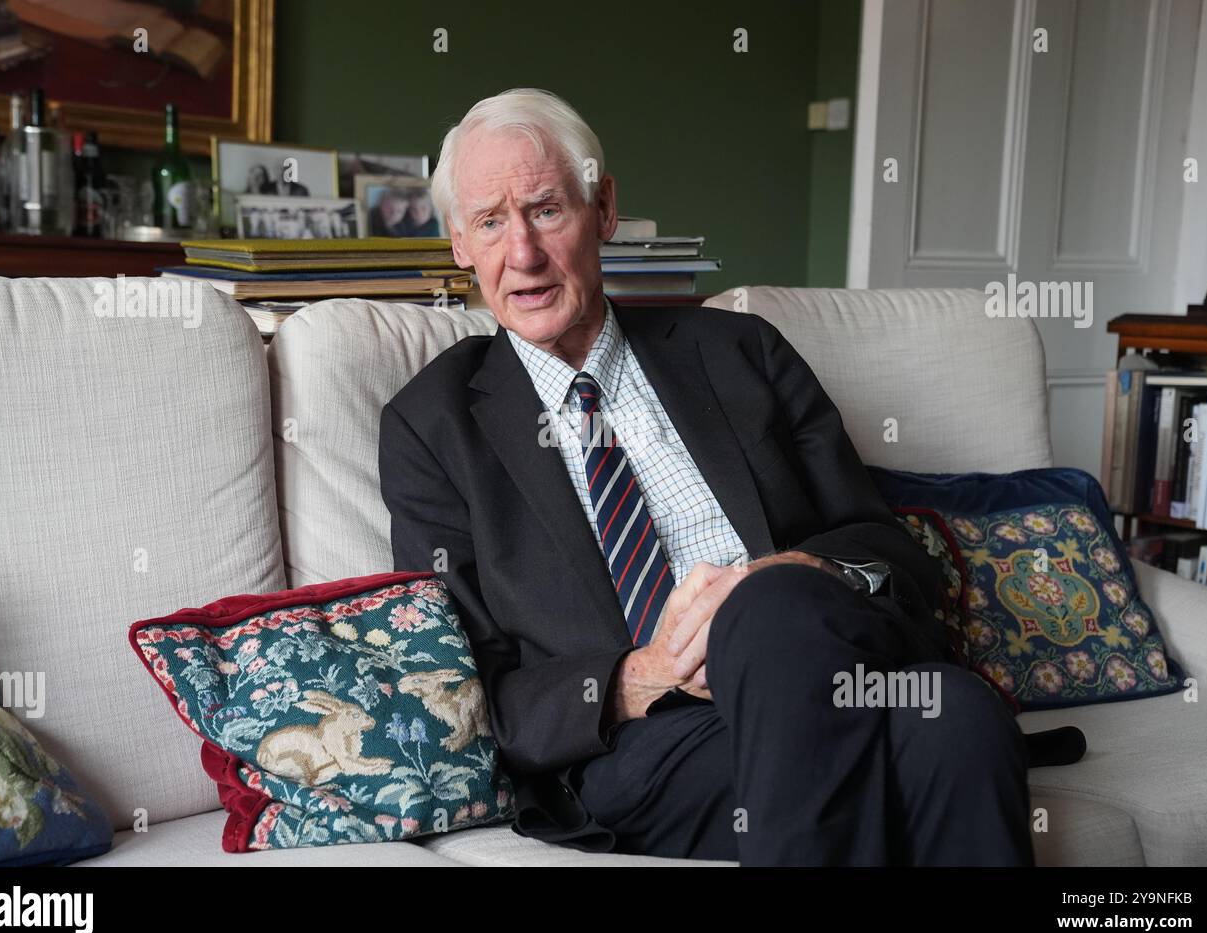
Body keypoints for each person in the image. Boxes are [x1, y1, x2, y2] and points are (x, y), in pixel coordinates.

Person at [379, 88, 1034, 865]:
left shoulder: (740, 353)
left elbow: (890, 554)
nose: (522, 253)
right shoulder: (433, 426)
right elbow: (466, 688)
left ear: (604, 207)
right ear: (459, 243)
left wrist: (799, 573)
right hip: (644, 744)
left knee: (914, 694)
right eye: (490, 222)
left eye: (547, 210)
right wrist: (646, 674)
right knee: (957, 726)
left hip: (829, 667)